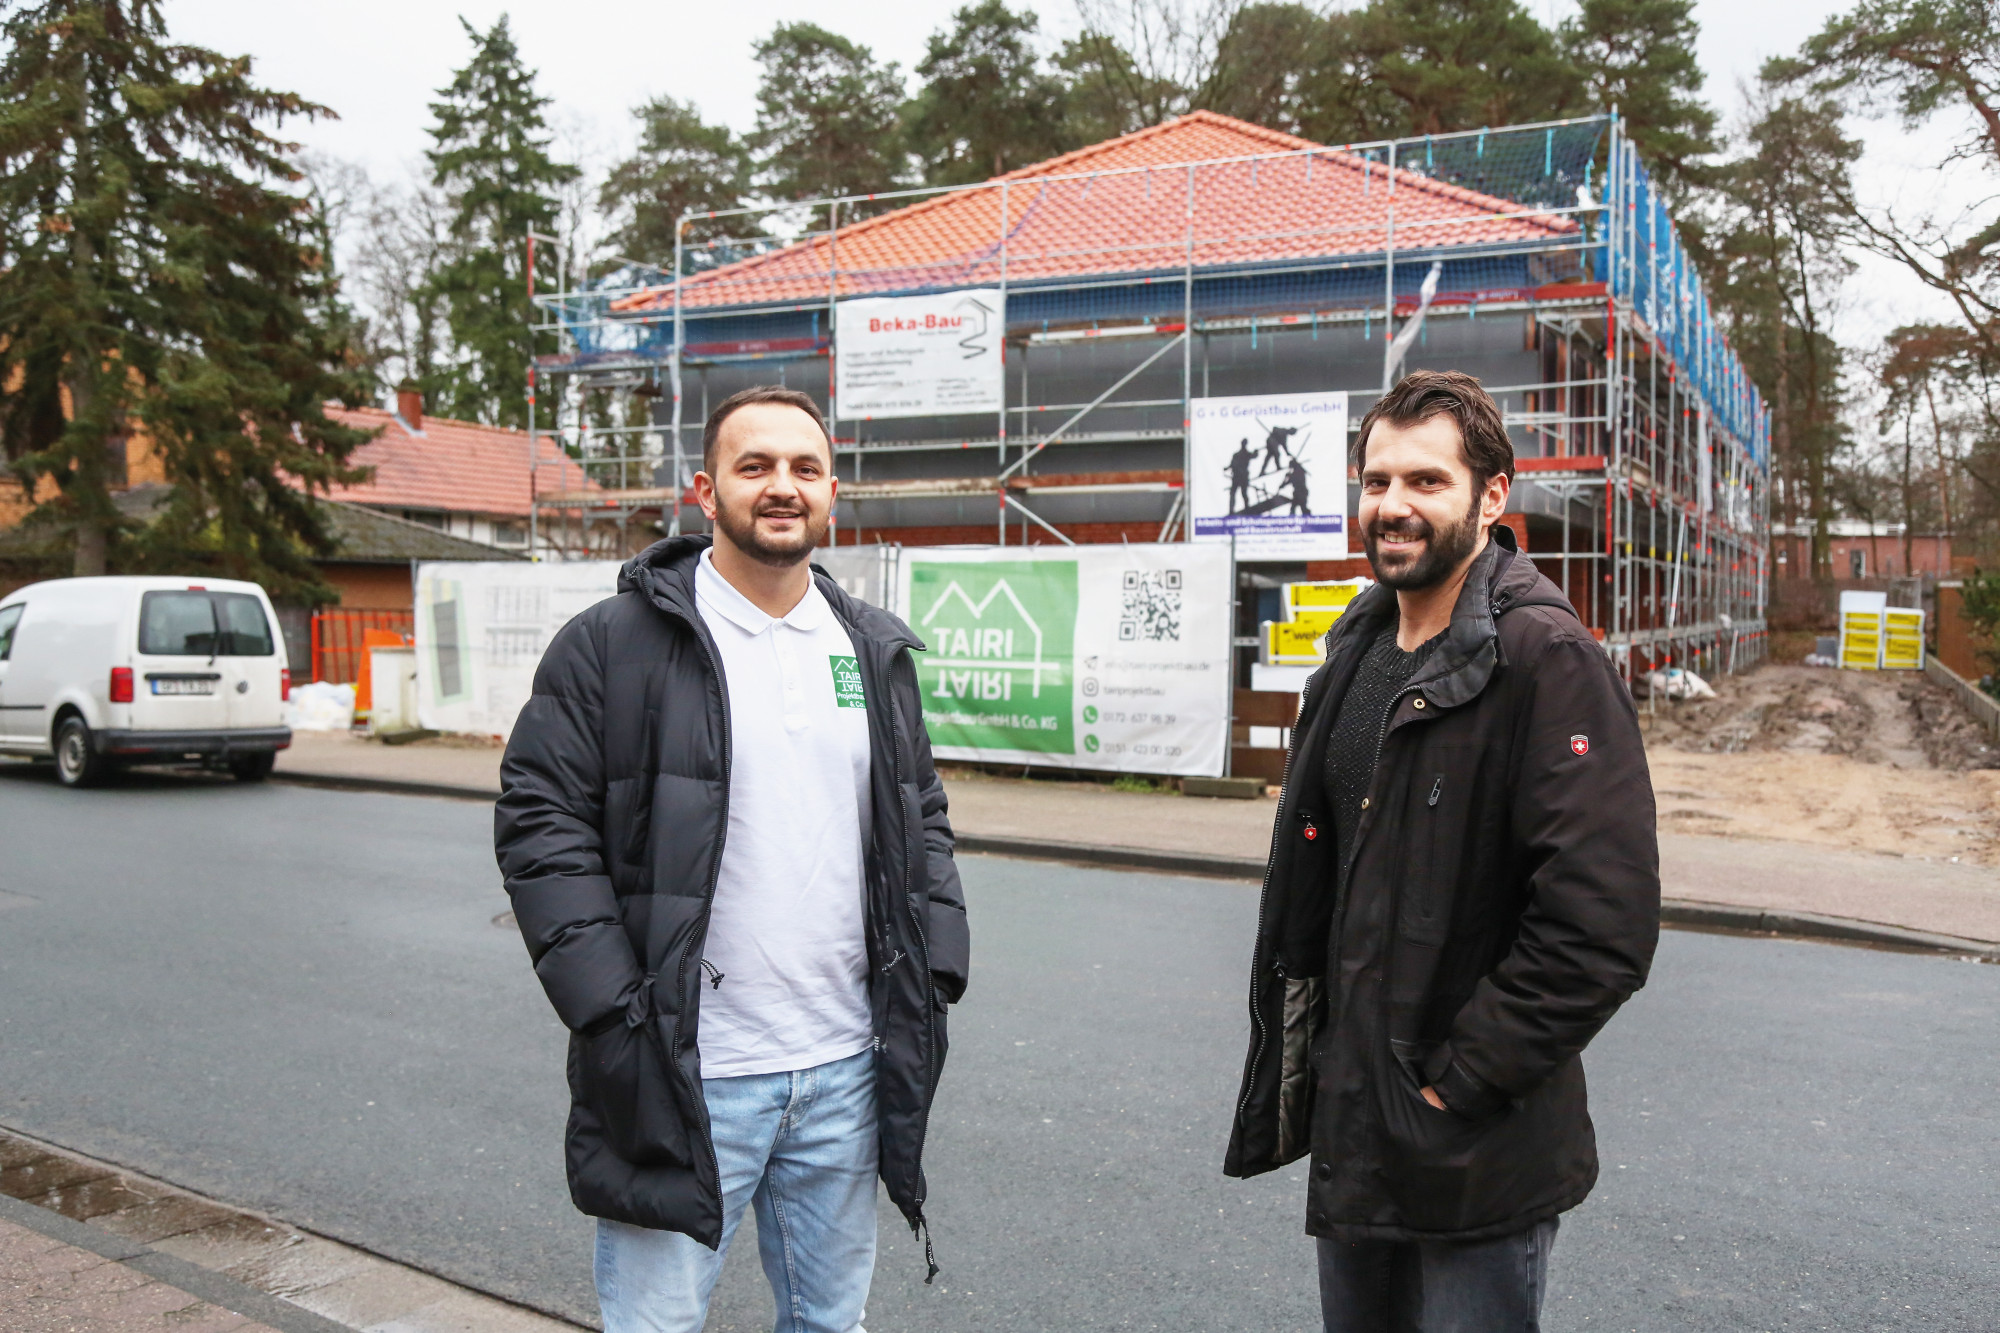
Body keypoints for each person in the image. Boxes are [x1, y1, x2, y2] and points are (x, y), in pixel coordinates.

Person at [495, 385, 970, 1333]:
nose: (782, 486)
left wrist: (940, 961)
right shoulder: (613, 644)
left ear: (834, 491)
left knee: (831, 1326)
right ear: (706, 493)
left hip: (843, 1069)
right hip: (682, 1070)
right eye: (755, 466)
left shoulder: (868, 648)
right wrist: (611, 1006)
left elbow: (920, 811)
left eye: (804, 468)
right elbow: (540, 818)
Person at [1224, 369, 1658, 1332]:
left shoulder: (1545, 658)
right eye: (1377, 482)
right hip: (1358, 1120)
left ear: (1492, 495)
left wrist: (1453, 1083)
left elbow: (1601, 927)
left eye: (1426, 482)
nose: (1393, 505)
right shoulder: (1357, 653)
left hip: (1471, 1147)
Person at [1228, 438, 1255, 514]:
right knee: (1234, 493)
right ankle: (1232, 510)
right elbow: (1232, 464)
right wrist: (1227, 468)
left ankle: (1246, 507)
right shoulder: (1237, 455)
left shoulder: (1246, 454)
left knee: (1243, 493)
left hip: (1242, 476)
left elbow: (1254, 456)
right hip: (1237, 476)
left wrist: (1256, 452)